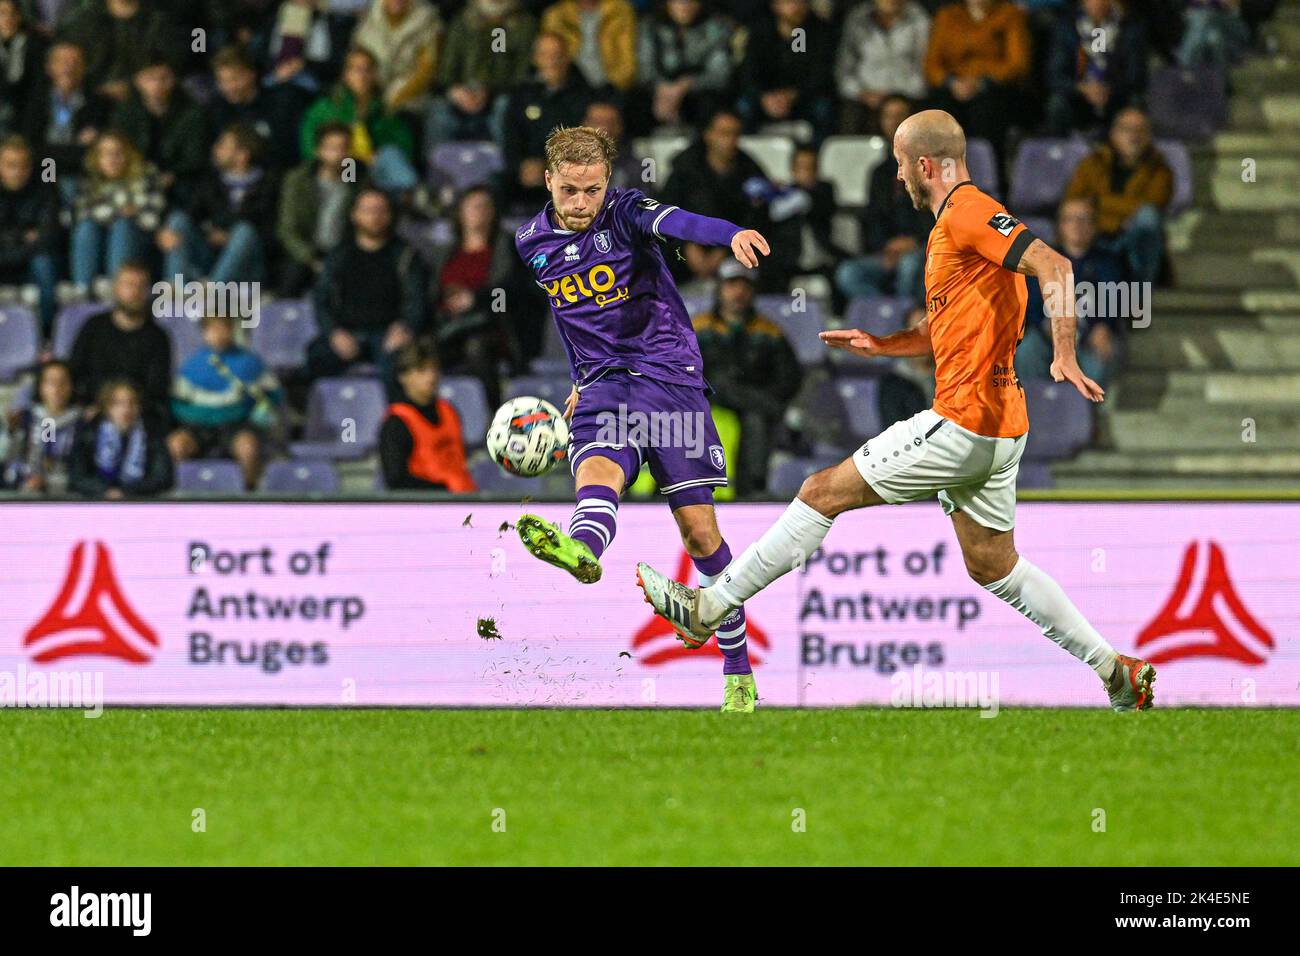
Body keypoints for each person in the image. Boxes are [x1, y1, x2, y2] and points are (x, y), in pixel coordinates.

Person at [636, 109, 1158, 714]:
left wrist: (1063, 352)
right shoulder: (959, 230)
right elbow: (946, 327)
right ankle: (1114, 670)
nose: (897, 174)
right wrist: (884, 345)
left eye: (899, 162)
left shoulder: (966, 212)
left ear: (925, 165)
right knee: (994, 566)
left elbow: (1057, 266)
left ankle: (709, 607)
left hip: (964, 420)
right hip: (1002, 430)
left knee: (820, 491)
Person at [512, 124, 772, 713]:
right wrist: (580, 379)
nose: (582, 204)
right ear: (549, 180)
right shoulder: (530, 241)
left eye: (593, 190)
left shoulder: (625, 212)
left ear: (609, 183)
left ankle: (737, 671)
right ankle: (582, 552)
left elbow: (681, 223)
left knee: (700, 533)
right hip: (604, 386)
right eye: (570, 191)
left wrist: (731, 235)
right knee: (598, 472)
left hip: (670, 380)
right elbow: (569, 316)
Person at [691, 260, 802, 496]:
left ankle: (751, 490)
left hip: (754, 407)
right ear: (719, 289)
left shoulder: (769, 331)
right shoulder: (698, 328)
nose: (738, 293)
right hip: (708, 402)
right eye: (732, 285)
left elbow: (788, 379)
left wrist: (766, 399)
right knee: (721, 387)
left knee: (755, 418)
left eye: (745, 286)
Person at [308, 188, 429, 387]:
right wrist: (334, 332)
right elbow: (321, 299)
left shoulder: (406, 256)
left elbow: (417, 299)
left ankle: (394, 417)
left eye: (381, 210)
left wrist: (406, 327)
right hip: (348, 331)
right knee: (316, 356)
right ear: (354, 215)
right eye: (368, 210)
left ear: (390, 215)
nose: (375, 217)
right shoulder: (339, 256)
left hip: (388, 333)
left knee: (401, 364)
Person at [1016, 197, 1125, 388]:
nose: (1077, 225)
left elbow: (1115, 300)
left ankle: (1086, 413)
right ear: (1060, 226)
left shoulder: (1109, 262)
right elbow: (1029, 303)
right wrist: (1047, 325)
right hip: (1047, 335)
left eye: (1084, 219)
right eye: (1070, 219)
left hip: (1088, 336)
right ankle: (1036, 406)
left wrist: (1102, 326)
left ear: (1093, 226)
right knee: (1025, 351)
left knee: (1100, 358)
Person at [430, 186, 522, 410]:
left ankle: (494, 415)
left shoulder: (505, 247)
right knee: (417, 352)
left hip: (490, 327)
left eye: (484, 207)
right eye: (472, 207)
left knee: (476, 347)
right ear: (460, 212)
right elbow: (432, 293)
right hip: (449, 328)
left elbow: (509, 291)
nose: (478, 212)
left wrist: (474, 299)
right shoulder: (446, 252)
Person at [169, 313, 282, 490]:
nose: (219, 333)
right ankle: (178, 498)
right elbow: (177, 405)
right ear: (204, 333)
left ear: (232, 330)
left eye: (224, 328)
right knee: (176, 445)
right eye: (213, 329)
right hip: (197, 427)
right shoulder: (191, 366)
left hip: (236, 426)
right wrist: (206, 415)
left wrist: (258, 409)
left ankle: (248, 496)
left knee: (248, 448)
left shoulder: (251, 363)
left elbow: (272, 396)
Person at [835, 94, 930, 303]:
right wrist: (885, 248)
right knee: (848, 273)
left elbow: (941, 214)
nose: (894, 122)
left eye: (901, 116)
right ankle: (890, 317)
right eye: (888, 116)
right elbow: (874, 218)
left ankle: (908, 327)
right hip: (888, 250)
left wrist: (914, 241)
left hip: (925, 247)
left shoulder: (931, 165)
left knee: (909, 266)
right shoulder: (879, 172)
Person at [157, 123, 278, 286]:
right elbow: (192, 214)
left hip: (248, 266)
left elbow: (270, 233)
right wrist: (167, 232)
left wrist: (229, 236)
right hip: (211, 259)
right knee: (177, 221)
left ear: (242, 155)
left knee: (243, 232)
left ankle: (213, 291)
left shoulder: (269, 185)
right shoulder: (212, 181)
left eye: (223, 146)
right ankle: (176, 288)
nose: (216, 150)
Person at [1063, 106, 1171, 285]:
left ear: (1148, 136)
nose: (1133, 136)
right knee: (1074, 217)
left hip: (1129, 238)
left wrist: (1098, 202)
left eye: (1140, 130)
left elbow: (1151, 206)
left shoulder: (1160, 169)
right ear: (1114, 133)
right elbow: (1073, 200)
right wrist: (1117, 213)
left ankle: (1139, 291)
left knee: (1148, 218)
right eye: (1126, 129)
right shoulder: (1092, 163)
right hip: (1094, 233)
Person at [299, 45, 419, 194]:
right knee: (350, 165)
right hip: (342, 165)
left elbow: (403, 147)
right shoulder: (325, 108)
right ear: (345, 74)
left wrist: (377, 155)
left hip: (374, 168)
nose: (362, 75)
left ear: (375, 74)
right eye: (356, 69)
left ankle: (413, 197)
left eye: (367, 69)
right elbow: (309, 146)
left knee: (391, 155)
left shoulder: (384, 110)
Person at [922, 0, 1030, 158]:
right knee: (938, 112)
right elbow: (932, 64)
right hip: (954, 85)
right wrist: (951, 83)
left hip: (994, 86)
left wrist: (980, 82)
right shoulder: (947, 16)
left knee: (988, 112)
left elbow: (1018, 63)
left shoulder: (1010, 14)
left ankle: (991, 174)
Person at [67, 260, 172, 417]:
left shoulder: (158, 337)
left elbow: (156, 390)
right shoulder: (93, 326)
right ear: (116, 288)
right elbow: (75, 372)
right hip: (90, 410)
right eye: (129, 285)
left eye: (141, 286)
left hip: (136, 415)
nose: (135, 292)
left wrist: (123, 408)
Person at [501, 32, 593, 210]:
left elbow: (582, 142)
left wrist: (546, 166)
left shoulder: (583, 95)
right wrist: (520, 166)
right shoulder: (522, 94)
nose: (552, 61)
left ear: (567, 58)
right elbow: (511, 137)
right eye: (545, 55)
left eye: (557, 55)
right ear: (535, 59)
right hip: (524, 176)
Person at [69, 131, 166, 290]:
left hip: (139, 242)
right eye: (106, 154)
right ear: (97, 158)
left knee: (122, 226)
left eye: (118, 153)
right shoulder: (88, 180)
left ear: (128, 155)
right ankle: (82, 290)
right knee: (86, 227)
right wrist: (121, 210)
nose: (112, 159)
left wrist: (113, 213)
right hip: (99, 242)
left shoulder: (146, 175)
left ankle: (119, 289)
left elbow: (152, 219)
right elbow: (80, 214)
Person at [429, 0, 536, 144]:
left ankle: (507, 163)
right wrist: (455, 91)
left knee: (503, 107)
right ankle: (435, 165)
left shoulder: (523, 23)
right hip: (464, 92)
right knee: (438, 109)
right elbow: (447, 68)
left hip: (502, 94)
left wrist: (490, 92)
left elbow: (522, 73)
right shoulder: (463, 20)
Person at [276, 121, 363, 296]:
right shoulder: (299, 179)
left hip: (343, 251)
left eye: (344, 148)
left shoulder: (355, 176)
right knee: (292, 278)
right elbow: (287, 230)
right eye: (332, 148)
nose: (339, 154)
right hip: (308, 250)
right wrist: (311, 259)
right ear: (319, 150)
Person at [378, 340, 476, 492]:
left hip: (465, 498)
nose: (431, 377)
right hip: (427, 506)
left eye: (434, 369)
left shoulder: (449, 410)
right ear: (403, 377)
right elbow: (396, 480)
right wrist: (444, 490)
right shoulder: (396, 422)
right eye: (421, 370)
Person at [737, 0, 837, 142]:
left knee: (823, 108)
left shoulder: (817, 31)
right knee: (743, 107)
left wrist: (792, 95)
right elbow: (748, 72)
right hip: (766, 97)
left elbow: (819, 74)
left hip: (802, 97)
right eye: (790, 2)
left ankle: (811, 158)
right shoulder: (761, 30)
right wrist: (764, 96)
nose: (797, 7)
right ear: (775, 5)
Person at [109, 57, 208, 201]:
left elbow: (196, 157)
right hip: (134, 177)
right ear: (138, 81)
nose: (158, 84)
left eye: (164, 78)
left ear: (174, 79)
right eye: (150, 78)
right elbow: (120, 148)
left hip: (179, 180)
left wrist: (174, 174)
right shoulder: (126, 112)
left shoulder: (192, 113)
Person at [1045, 0, 1147, 137]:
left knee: (1135, 102)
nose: (1099, 3)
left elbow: (1136, 75)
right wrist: (1083, 88)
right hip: (1078, 95)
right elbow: (1055, 74)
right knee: (1057, 104)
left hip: (1116, 94)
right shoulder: (1066, 27)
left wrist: (1108, 89)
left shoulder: (1130, 27)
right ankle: (1058, 152)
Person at [835, 0, 931, 134]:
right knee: (850, 114)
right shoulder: (857, 19)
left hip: (907, 94)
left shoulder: (919, 18)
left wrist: (898, 96)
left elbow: (924, 66)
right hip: (865, 97)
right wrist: (862, 94)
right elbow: (844, 69)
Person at [637, 0, 736, 129]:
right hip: (658, 91)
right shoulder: (650, 26)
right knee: (635, 102)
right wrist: (661, 88)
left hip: (698, 92)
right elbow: (644, 68)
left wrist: (685, 85)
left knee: (710, 102)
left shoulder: (716, 27)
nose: (685, 5)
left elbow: (720, 74)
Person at [69, 377, 173, 498]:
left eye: (132, 402)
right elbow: (77, 478)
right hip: (96, 503)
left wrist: (125, 492)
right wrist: (105, 491)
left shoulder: (152, 435)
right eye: (118, 403)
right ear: (106, 407)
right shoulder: (88, 434)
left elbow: (163, 478)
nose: (126, 409)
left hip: (140, 504)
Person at [0, 135, 60, 339]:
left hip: (30, 261)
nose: (17, 172)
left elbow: (48, 236)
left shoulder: (45, 187)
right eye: (10, 165)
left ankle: (46, 335)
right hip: (15, 255)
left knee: (45, 264)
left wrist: (13, 243)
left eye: (23, 165)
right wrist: (21, 236)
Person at [1, 359, 81, 493]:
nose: (57, 388)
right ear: (41, 386)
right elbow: (8, 459)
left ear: (71, 386)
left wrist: (50, 482)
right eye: (51, 382)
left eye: (63, 382)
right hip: (26, 492)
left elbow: (83, 471)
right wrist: (10, 433)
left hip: (69, 496)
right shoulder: (26, 418)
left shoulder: (82, 423)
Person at [351, 0, 443, 116]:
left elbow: (426, 71)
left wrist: (394, 100)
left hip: (408, 95)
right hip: (371, 86)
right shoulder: (369, 15)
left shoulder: (427, 20)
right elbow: (356, 58)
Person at [539, 0, 638, 94]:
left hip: (612, 88)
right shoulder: (556, 15)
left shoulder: (620, 11)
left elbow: (627, 61)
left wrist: (615, 91)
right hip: (568, 88)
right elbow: (547, 58)